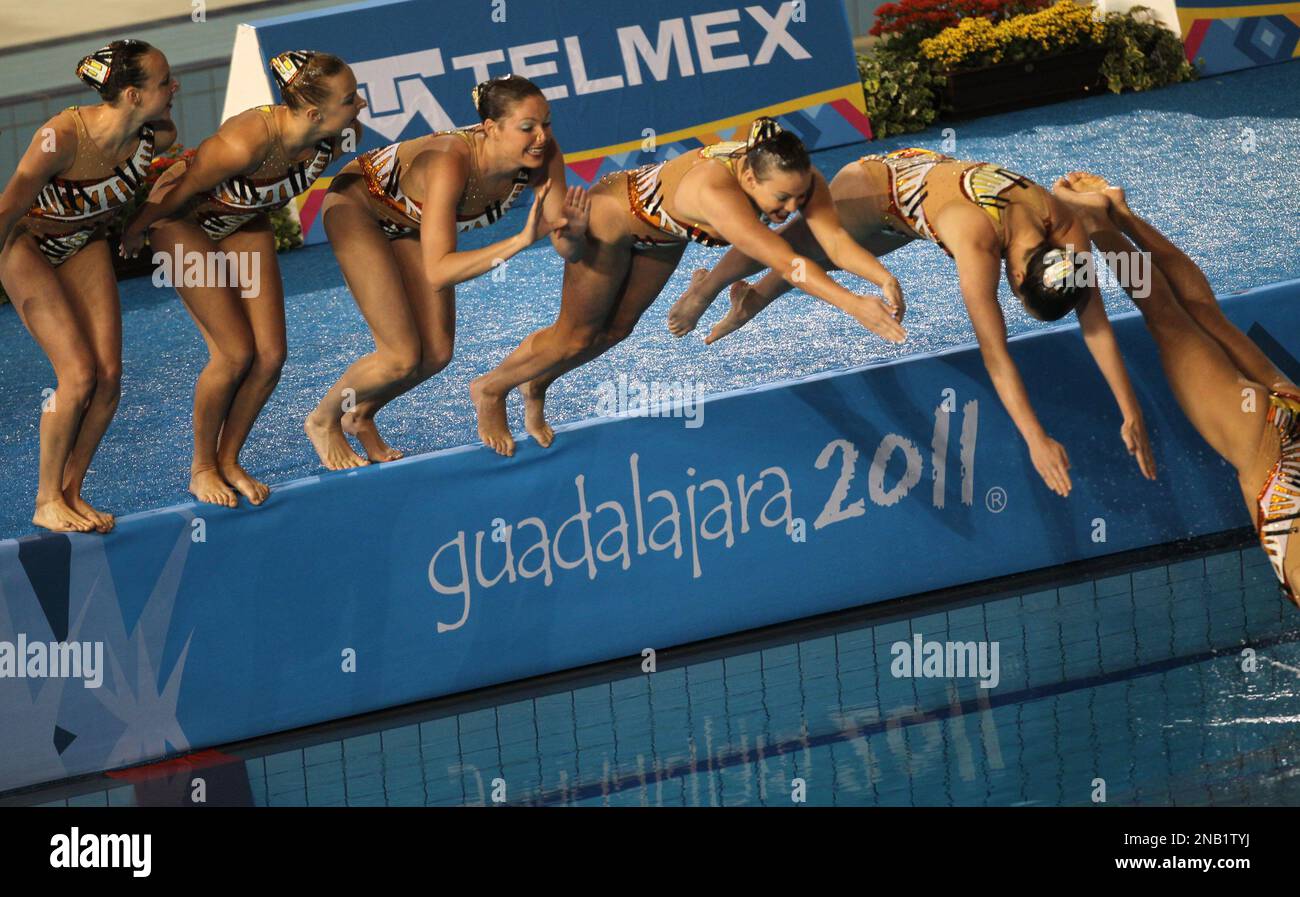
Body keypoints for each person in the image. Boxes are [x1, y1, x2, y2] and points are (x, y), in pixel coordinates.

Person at [668, 147, 1157, 497]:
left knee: (820, 255)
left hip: (919, 181)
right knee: (801, 244)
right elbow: (996, 352)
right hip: (874, 185)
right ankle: (706, 288)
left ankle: (751, 299)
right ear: (1016, 273)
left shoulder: (1064, 229)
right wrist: (1035, 438)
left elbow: (1095, 318)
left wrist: (1129, 407)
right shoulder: (978, 247)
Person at [470, 119, 907, 456]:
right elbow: (789, 262)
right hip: (612, 219)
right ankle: (490, 389)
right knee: (576, 334)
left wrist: (881, 277)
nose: (791, 210)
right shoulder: (716, 192)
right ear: (751, 180)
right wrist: (852, 304)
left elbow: (832, 240)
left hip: (662, 233)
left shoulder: (791, 179)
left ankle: (537, 383)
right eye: (782, 202)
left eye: (799, 197)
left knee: (615, 331)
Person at [304, 74, 589, 470]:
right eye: (528, 127)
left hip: (409, 220)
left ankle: (360, 413)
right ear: (491, 128)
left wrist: (574, 233)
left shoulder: (544, 156)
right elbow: (438, 271)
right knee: (399, 357)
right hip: (359, 206)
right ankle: (323, 419)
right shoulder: (450, 162)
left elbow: (563, 245)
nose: (541, 136)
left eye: (546, 123)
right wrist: (521, 241)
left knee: (436, 354)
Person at [120, 50, 364, 507]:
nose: (362, 105)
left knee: (270, 356)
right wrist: (135, 232)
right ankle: (202, 468)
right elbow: (181, 193)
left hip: (243, 220)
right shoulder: (243, 143)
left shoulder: (341, 133)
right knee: (234, 354)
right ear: (314, 112)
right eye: (351, 98)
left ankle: (229, 459)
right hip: (182, 222)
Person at [1054, 171, 1297, 606]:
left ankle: (1121, 216)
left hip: (1289, 418)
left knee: (1204, 313)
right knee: (1164, 315)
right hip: (1260, 443)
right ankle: (1096, 222)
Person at [0, 40, 177, 532]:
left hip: (83, 243)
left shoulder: (156, 136)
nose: (174, 87)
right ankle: (44, 499)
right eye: (164, 81)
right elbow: (9, 207)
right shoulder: (61, 135)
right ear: (131, 95)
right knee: (76, 375)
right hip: (26, 245)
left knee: (108, 377)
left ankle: (71, 492)